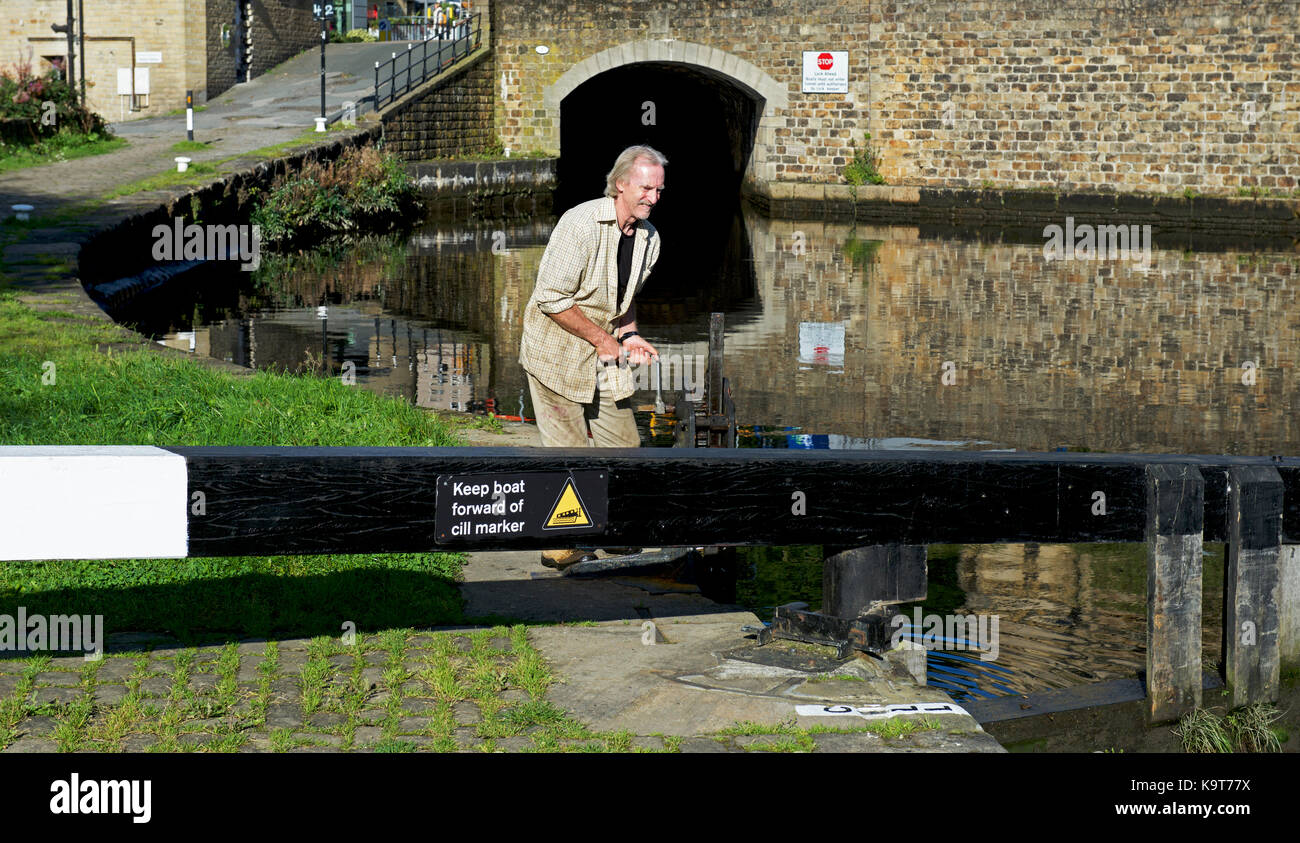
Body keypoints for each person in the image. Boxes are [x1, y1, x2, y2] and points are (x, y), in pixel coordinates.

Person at [519, 145, 668, 569]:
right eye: (645, 188)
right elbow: (550, 297)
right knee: (566, 452)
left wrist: (630, 333)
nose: (653, 199)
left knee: (625, 446)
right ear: (620, 184)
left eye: (659, 190)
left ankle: (614, 532)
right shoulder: (581, 223)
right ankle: (558, 545)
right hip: (557, 352)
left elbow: (625, 299)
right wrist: (604, 339)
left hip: (604, 351)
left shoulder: (648, 238)